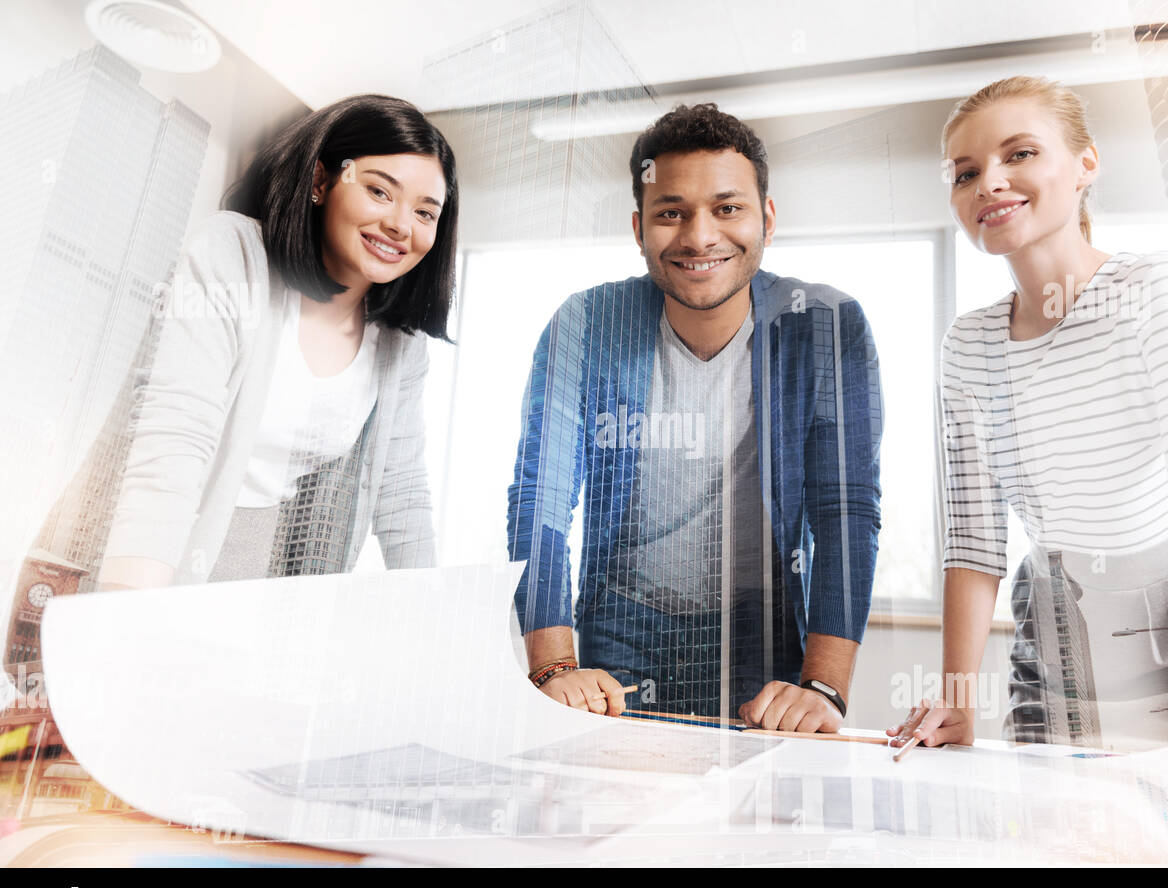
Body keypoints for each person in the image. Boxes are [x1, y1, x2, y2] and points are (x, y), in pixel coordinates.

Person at [889, 76, 1168, 830]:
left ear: (1086, 164)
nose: (992, 182)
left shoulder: (1158, 288)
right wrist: (955, 698)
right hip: (1057, 656)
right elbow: (974, 542)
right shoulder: (968, 346)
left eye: (1020, 153)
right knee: (1065, 845)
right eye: (966, 171)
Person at [507, 103, 882, 730]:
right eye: (671, 212)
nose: (699, 236)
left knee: (757, 817)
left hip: (763, 633)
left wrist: (825, 686)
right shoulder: (585, 325)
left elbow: (845, 505)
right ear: (639, 227)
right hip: (620, 625)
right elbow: (540, 497)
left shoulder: (827, 325)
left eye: (727, 208)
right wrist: (552, 667)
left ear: (766, 217)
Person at [98, 94, 458, 588]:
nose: (400, 224)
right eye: (379, 192)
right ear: (320, 181)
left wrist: (439, 622)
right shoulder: (233, 252)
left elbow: (401, 492)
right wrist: (128, 607)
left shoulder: (400, 344)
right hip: (152, 538)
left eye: (425, 213)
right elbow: (174, 438)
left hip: (262, 564)